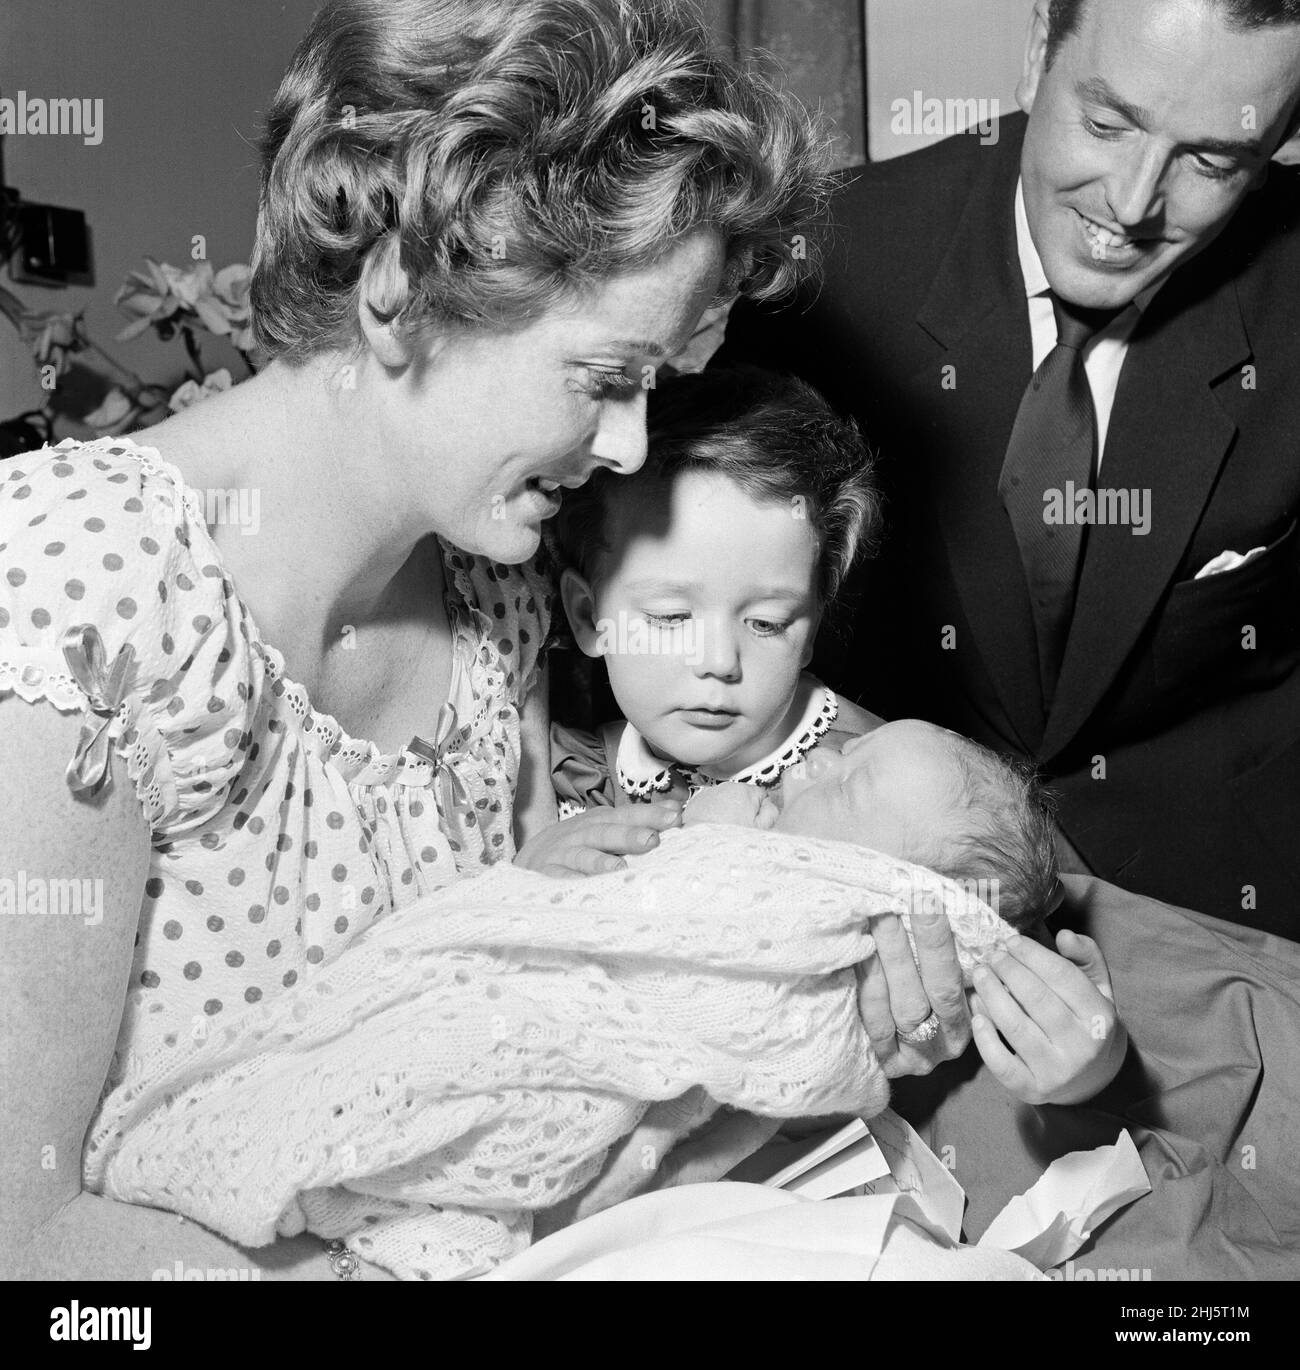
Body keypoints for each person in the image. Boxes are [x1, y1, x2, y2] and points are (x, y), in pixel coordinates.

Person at [0, 0, 834, 1280]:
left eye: (652, 389)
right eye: (604, 376)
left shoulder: (491, 594)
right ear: (399, 296)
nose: (624, 447)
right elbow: (23, 1241)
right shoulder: (80, 586)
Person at [717, 0, 1300, 939]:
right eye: (1107, 123)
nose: (1132, 202)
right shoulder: (818, 269)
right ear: (1036, 53)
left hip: (1232, 928)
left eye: (1209, 160)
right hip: (885, 930)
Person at [547, 366, 1123, 1103]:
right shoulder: (556, 758)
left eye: (766, 622)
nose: (718, 662)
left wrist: (1085, 1067)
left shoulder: (888, 784)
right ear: (589, 616)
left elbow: (1027, 944)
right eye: (668, 616)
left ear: (814, 623)